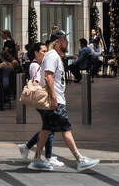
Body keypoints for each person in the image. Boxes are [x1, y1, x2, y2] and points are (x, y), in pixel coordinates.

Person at [30, 30, 98, 172]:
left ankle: (36, 159)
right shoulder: (52, 56)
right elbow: (48, 77)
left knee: (46, 129)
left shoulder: (54, 56)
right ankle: (80, 159)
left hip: (56, 99)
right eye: (65, 40)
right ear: (58, 42)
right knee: (66, 128)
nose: (67, 42)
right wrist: (54, 98)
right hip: (55, 101)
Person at [17, 43, 62, 167]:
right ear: (36, 53)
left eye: (47, 51)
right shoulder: (34, 65)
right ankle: (47, 156)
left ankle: (28, 147)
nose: (46, 53)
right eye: (43, 51)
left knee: (48, 128)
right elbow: (37, 81)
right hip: (41, 99)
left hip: (44, 98)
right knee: (49, 128)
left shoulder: (43, 64)